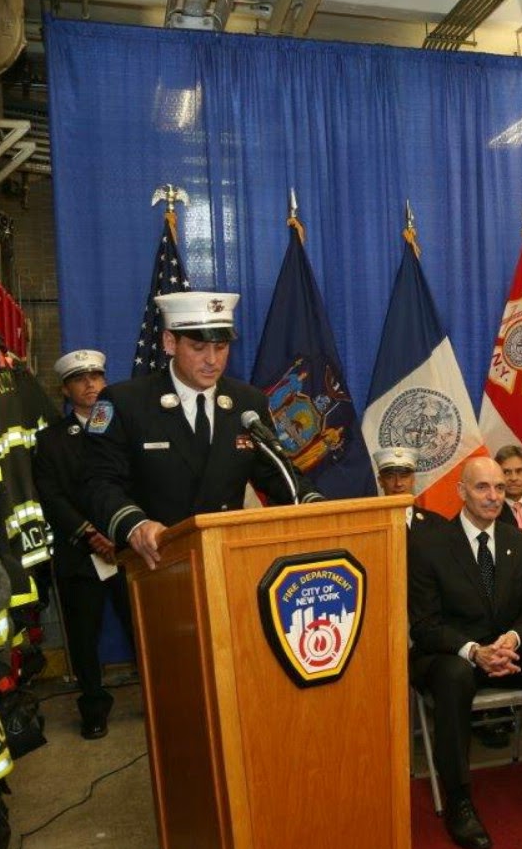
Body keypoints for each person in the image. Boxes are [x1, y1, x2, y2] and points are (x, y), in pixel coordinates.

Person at [407, 456, 522, 849]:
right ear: (461, 492)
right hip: (453, 653)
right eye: (482, 487)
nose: (493, 496)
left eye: (498, 487)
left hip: (509, 648)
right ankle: (459, 798)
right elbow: (425, 625)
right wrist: (474, 651)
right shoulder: (428, 547)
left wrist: (511, 639)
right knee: (454, 677)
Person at [82, 291, 322, 569]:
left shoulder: (247, 402)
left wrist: (311, 500)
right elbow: (97, 483)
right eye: (199, 348)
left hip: (227, 559)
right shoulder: (126, 402)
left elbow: (275, 472)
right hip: (158, 564)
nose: (212, 360)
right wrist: (135, 525)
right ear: (170, 342)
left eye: (221, 347)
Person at [33, 348, 134, 740]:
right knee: (83, 636)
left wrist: (117, 532)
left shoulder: (125, 426)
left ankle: (160, 697)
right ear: (65, 390)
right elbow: (51, 495)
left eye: (96, 376)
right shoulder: (51, 440)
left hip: (125, 548)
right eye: (80, 378)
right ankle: (94, 706)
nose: (91, 384)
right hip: (80, 551)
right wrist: (90, 533)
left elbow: (136, 483)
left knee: (142, 629)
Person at [373, 445, 446, 532]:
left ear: (413, 479)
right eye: (390, 477)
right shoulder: (369, 523)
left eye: (404, 476)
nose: (398, 483)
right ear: (380, 481)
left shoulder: (438, 524)